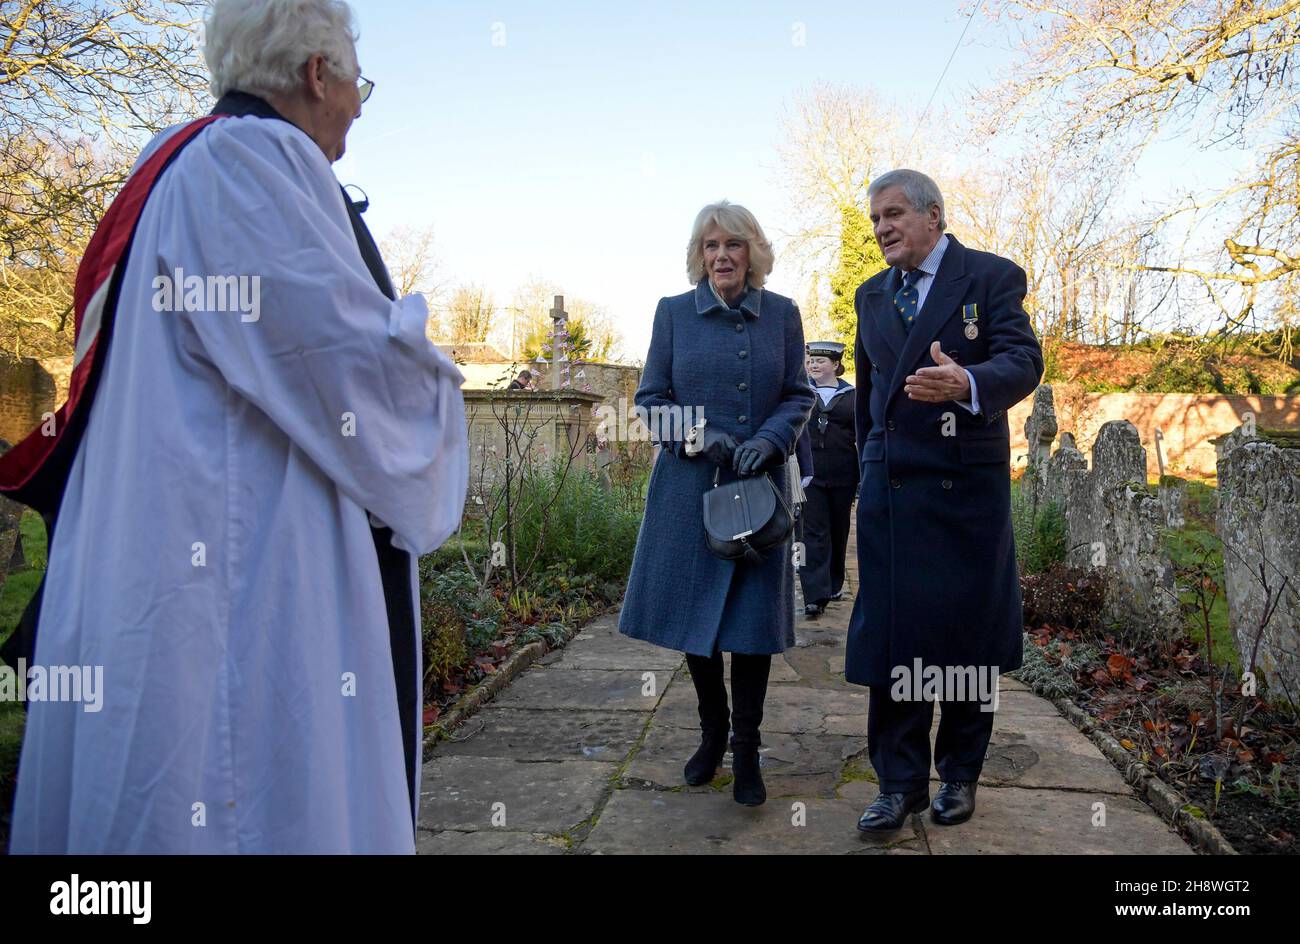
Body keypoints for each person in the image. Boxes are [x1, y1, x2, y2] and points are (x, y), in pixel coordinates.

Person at [4, 0, 468, 853]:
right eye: (358, 85)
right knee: (238, 786)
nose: (357, 109)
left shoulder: (169, 163)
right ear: (317, 74)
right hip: (239, 569)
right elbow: (342, 367)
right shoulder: (252, 163)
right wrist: (423, 367)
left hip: (165, 542)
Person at [846, 169, 1042, 834]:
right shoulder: (871, 295)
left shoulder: (989, 278)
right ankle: (897, 784)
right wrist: (871, 465)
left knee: (966, 636)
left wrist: (969, 382)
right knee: (894, 637)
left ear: (933, 215)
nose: (882, 229)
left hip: (964, 490)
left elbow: (1023, 360)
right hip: (893, 489)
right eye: (876, 219)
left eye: (894, 214)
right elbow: (870, 398)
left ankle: (960, 774)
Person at [619, 201, 814, 806]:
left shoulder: (782, 314)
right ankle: (712, 733)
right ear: (699, 255)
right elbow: (651, 400)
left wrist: (770, 440)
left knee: (752, 627)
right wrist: (701, 435)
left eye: (733, 244)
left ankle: (747, 749)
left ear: (753, 253)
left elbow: (798, 394)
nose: (722, 256)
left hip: (759, 493)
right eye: (711, 246)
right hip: (689, 489)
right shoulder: (673, 313)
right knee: (695, 617)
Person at [798, 340, 857, 618]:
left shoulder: (853, 396)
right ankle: (814, 594)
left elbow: (861, 434)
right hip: (810, 475)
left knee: (838, 529)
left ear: (835, 364)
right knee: (812, 532)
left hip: (843, 472)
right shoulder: (801, 393)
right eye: (811, 361)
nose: (813, 365)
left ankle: (834, 583)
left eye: (820, 361)